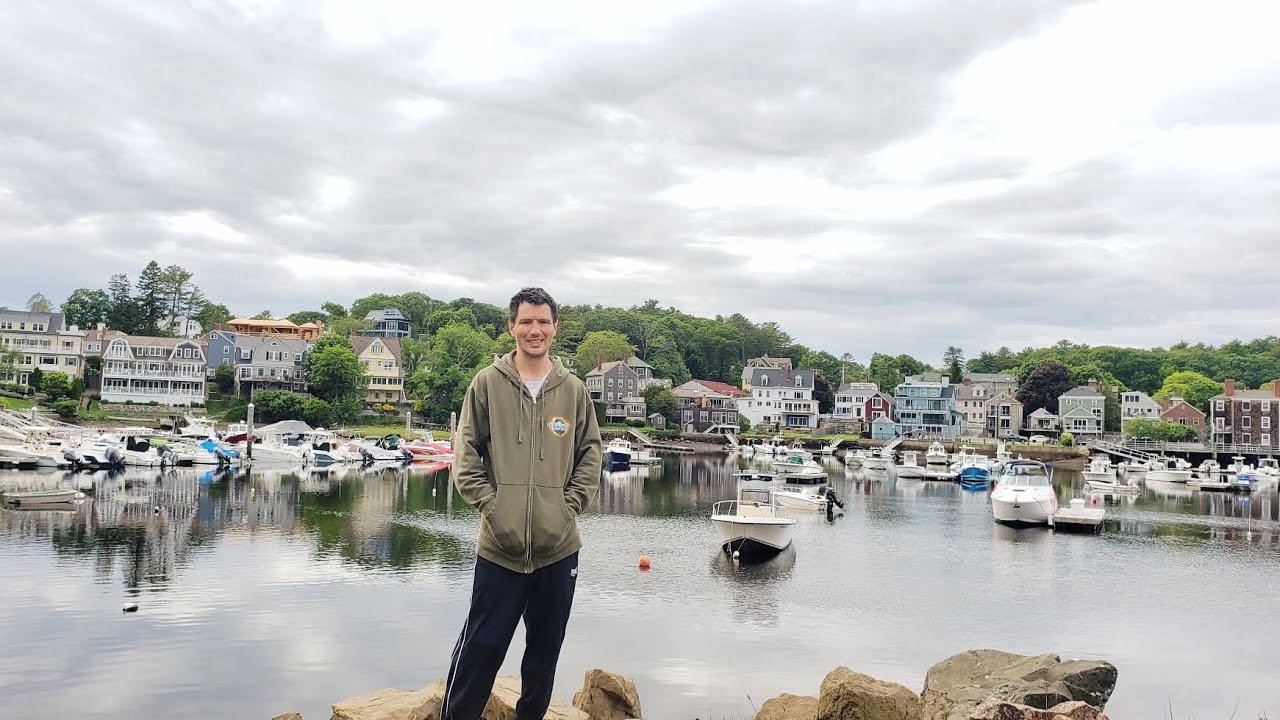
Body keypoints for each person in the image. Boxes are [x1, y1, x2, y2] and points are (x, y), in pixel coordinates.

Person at [442, 287, 603, 720]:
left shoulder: (573, 390)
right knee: (481, 649)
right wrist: (494, 510)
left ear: (555, 327)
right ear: (512, 325)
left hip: (558, 548)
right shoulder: (487, 384)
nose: (535, 330)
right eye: (526, 321)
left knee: (543, 656)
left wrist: (568, 508)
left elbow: (591, 453)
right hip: (500, 547)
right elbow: (466, 454)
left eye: (543, 322)